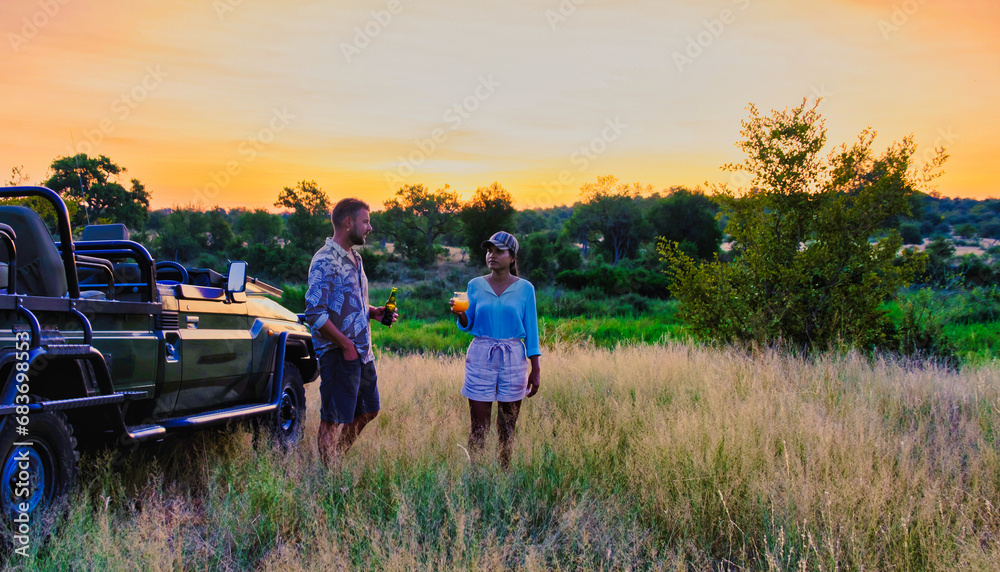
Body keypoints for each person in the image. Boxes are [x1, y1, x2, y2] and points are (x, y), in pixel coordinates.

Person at [305, 198, 396, 467]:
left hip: (362, 352)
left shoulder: (355, 258)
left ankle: (336, 460)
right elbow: (315, 313)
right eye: (365, 221)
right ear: (348, 222)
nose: (370, 227)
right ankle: (328, 473)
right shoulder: (325, 260)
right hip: (338, 353)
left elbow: (348, 300)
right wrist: (345, 346)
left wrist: (373, 312)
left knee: (369, 410)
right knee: (332, 419)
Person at [450, 231, 541, 468]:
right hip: (481, 354)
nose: (492, 255)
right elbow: (468, 323)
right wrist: (460, 314)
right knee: (478, 428)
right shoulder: (475, 285)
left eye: (499, 251)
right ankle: (475, 475)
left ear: (512, 257)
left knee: (507, 427)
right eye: (489, 250)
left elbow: (532, 331)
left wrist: (535, 369)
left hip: (513, 356)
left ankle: (504, 474)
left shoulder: (525, 288)